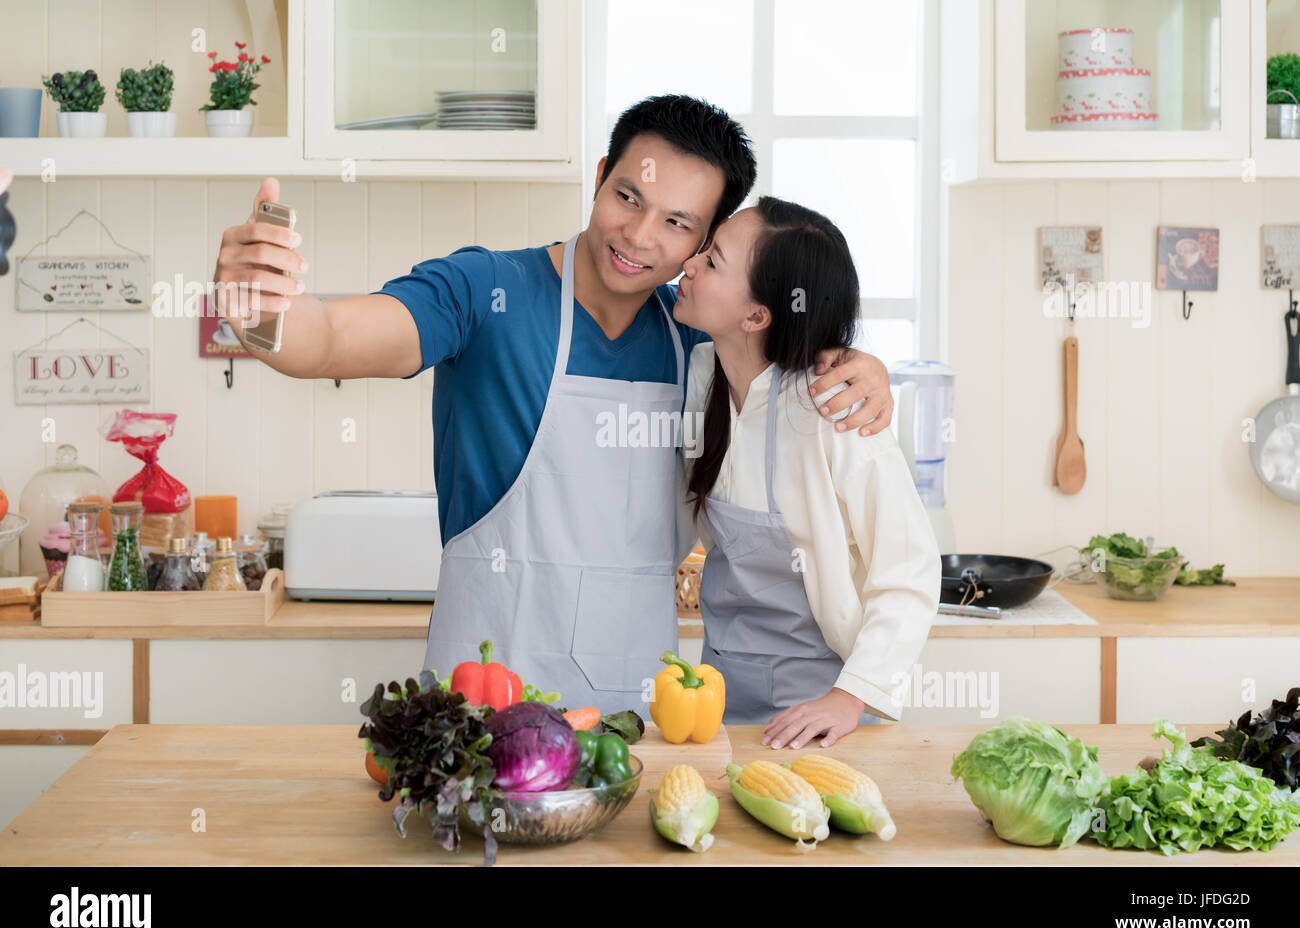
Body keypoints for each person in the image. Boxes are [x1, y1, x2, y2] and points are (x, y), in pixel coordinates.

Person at [212, 95, 897, 715]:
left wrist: (860, 366)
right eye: (627, 196)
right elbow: (328, 339)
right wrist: (264, 311)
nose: (639, 235)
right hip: (478, 707)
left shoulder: (699, 336)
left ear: (703, 243)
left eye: (677, 223)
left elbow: (787, 350)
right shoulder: (485, 292)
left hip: (635, 721)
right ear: (600, 174)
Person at [674, 196, 940, 748]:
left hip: (824, 712)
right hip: (715, 696)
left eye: (713, 259)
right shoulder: (698, 375)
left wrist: (850, 697)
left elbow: (909, 570)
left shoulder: (836, 408)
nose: (689, 264)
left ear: (755, 316)